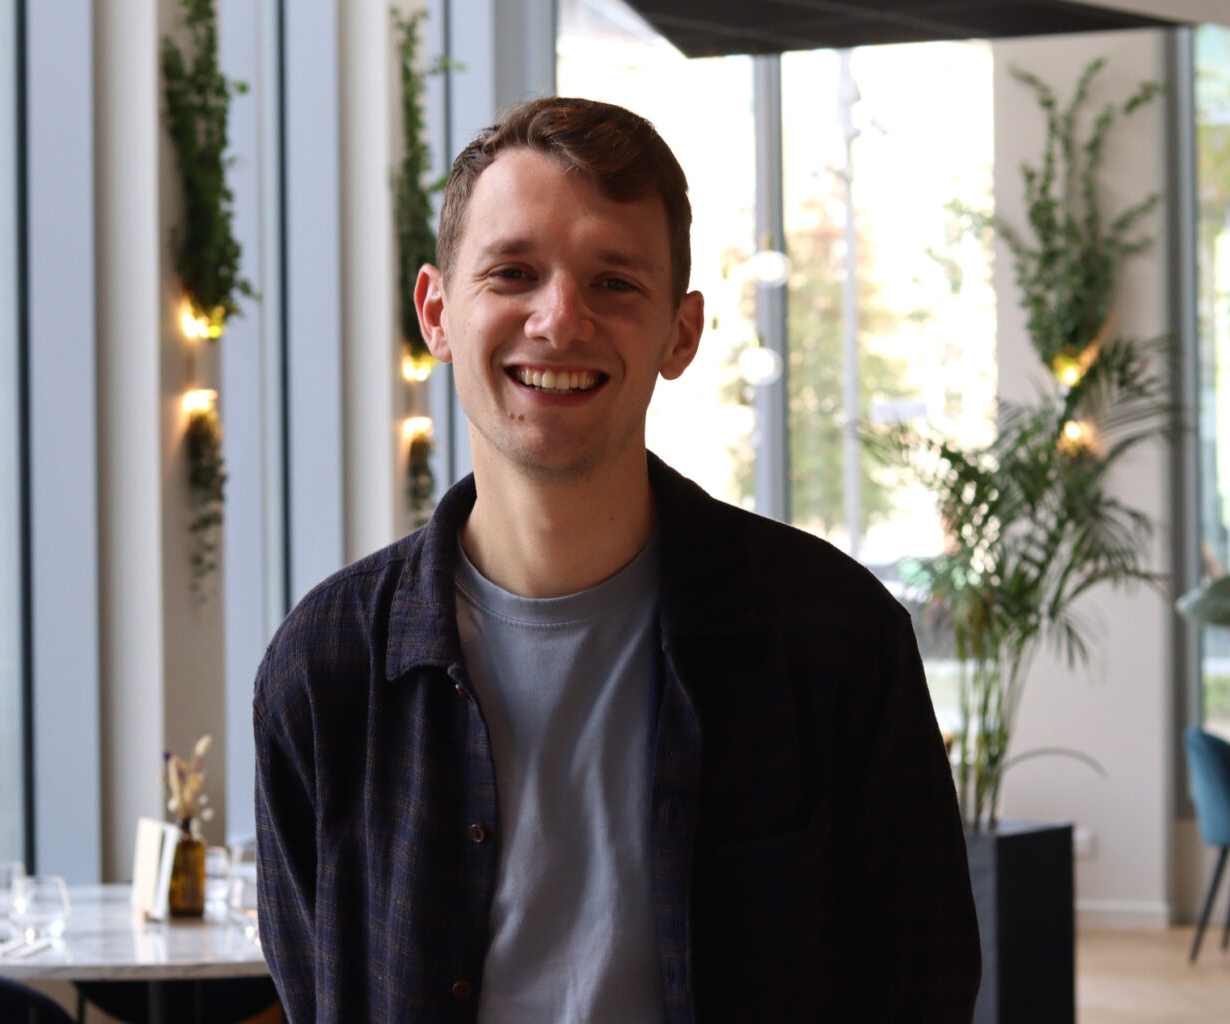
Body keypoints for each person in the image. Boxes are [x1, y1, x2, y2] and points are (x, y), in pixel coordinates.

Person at [255, 96, 980, 1023]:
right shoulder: (325, 668)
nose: (560, 319)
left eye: (614, 282)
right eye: (513, 272)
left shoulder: (835, 641)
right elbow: (317, 991)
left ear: (682, 333)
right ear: (436, 313)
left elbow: (921, 986)